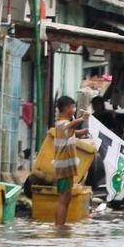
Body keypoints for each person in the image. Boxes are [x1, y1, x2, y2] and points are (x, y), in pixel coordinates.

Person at [52, 96, 89, 226]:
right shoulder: (62, 123)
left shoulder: (66, 124)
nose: (74, 109)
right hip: (63, 166)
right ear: (67, 108)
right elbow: (70, 126)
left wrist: (87, 130)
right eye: (73, 107)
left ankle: (62, 225)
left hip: (67, 166)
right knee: (63, 198)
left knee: (67, 197)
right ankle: (59, 226)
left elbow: (74, 132)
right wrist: (82, 118)